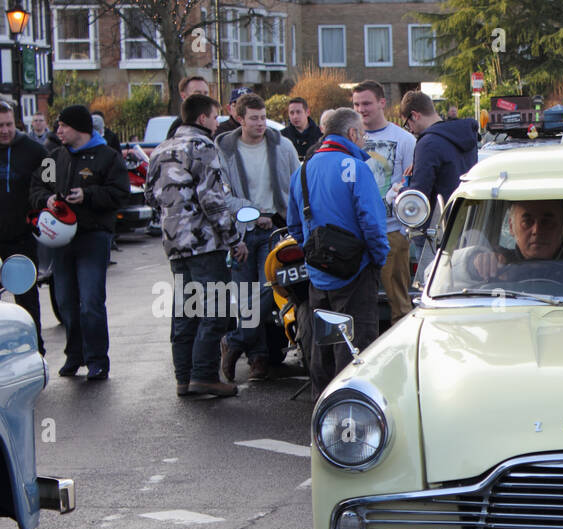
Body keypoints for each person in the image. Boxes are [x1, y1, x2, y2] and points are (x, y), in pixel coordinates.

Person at [286, 108, 389, 398]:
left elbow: (294, 225)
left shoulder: (302, 170)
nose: (364, 139)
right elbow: (372, 225)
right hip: (357, 271)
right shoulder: (357, 168)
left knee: (324, 345)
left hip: (319, 274)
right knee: (355, 347)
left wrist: (314, 251)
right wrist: (377, 260)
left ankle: (323, 406)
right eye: (362, 134)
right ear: (352, 134)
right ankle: (351, 408)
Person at [146, 93, 244, 399]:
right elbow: (212, 199)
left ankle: (183, 378)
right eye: (215, 117)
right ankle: (204, 375)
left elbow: (150, 195)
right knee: (215, 309)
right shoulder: (202, 146)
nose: (217, 123)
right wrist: (233, 239)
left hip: (175, 243)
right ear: (202, 118)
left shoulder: (161, 149)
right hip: (204, 243)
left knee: (185, 310)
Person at [29, 105, 128, 380]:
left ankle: (97, 360)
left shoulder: (107, 157)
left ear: (80, 129)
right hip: (60, 240)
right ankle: (75, 355)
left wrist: (88, 195)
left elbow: (119, 193)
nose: (57, 130)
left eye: (63, 126)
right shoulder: (55, 157)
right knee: (66, 302)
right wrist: (46, 200)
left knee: (91, 301)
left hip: (93, 235)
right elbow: (37, 188)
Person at [214, 92, 300, 382]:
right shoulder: (224, 149)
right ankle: (258, 357)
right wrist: (251, 211)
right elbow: (221, 196)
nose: (261, 123)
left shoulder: (283, 145)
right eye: (254, 118)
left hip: (274, 228)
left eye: (264, 117)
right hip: (240, 230)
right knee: (246, 298)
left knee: (268, 291)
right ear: (240, 119)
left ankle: (235, 341)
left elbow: (296, 184)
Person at [351, 80, 417, 321]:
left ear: (381, 103)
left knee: (399, 303)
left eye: (366, 103)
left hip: (391, 231)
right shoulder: (349, 139)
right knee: (358, 302)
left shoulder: (404, 140)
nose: (361, 109)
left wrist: (404, 228)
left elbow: (411, 184)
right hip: (355, 232)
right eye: (356, 104)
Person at [457, 199, 563, 292]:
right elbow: (442, 281)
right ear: (512, 227)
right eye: (527, 222)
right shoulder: (495, 262)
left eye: (547, 222)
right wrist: (472, 263)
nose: (536, 230)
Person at [0, 101, 50, 354]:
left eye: (9, 124)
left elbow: (50, 182)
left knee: (26, 297)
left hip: (21, 236)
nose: (5, 130)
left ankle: (34, 348)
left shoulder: (33, 150)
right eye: (0, 126)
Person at [400, 90, 478, 207]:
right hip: (467, 215)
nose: (410, 130)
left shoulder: (427, 143)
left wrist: (400, 191)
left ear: (415, 115)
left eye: (407, 124)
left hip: (442, 220)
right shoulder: (464, 135)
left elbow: (418, 197)